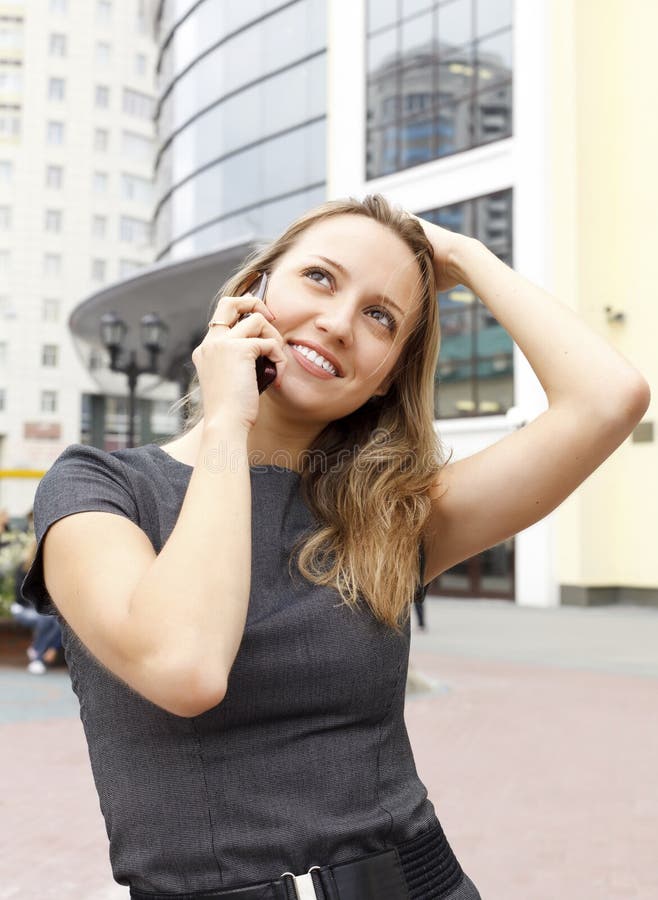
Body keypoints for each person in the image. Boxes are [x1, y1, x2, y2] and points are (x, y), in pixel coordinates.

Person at [21, 195, 649, 900]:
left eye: (381, 316)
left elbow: (609, 399)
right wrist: (230, 419)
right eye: (319, 277)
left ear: (389, 375)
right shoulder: (100, 489)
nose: (340, 322)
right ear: (251, 292)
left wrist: (466, 259)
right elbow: (185, 666)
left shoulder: (389, 515)